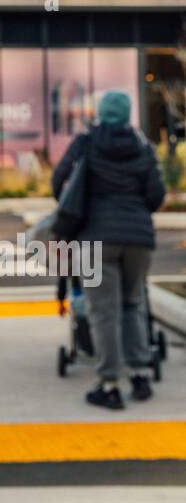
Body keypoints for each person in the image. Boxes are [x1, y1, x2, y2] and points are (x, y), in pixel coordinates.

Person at [52, 90, 166, 411]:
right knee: (133, 304)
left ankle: (110, 384)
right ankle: (141, 374)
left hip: (95, 238)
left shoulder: (86, 143)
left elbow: (58, 180)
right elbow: (155, 195)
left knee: (104, 312)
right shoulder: (142, 146)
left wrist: (77, 210)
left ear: (101, 111)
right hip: (138, 238)